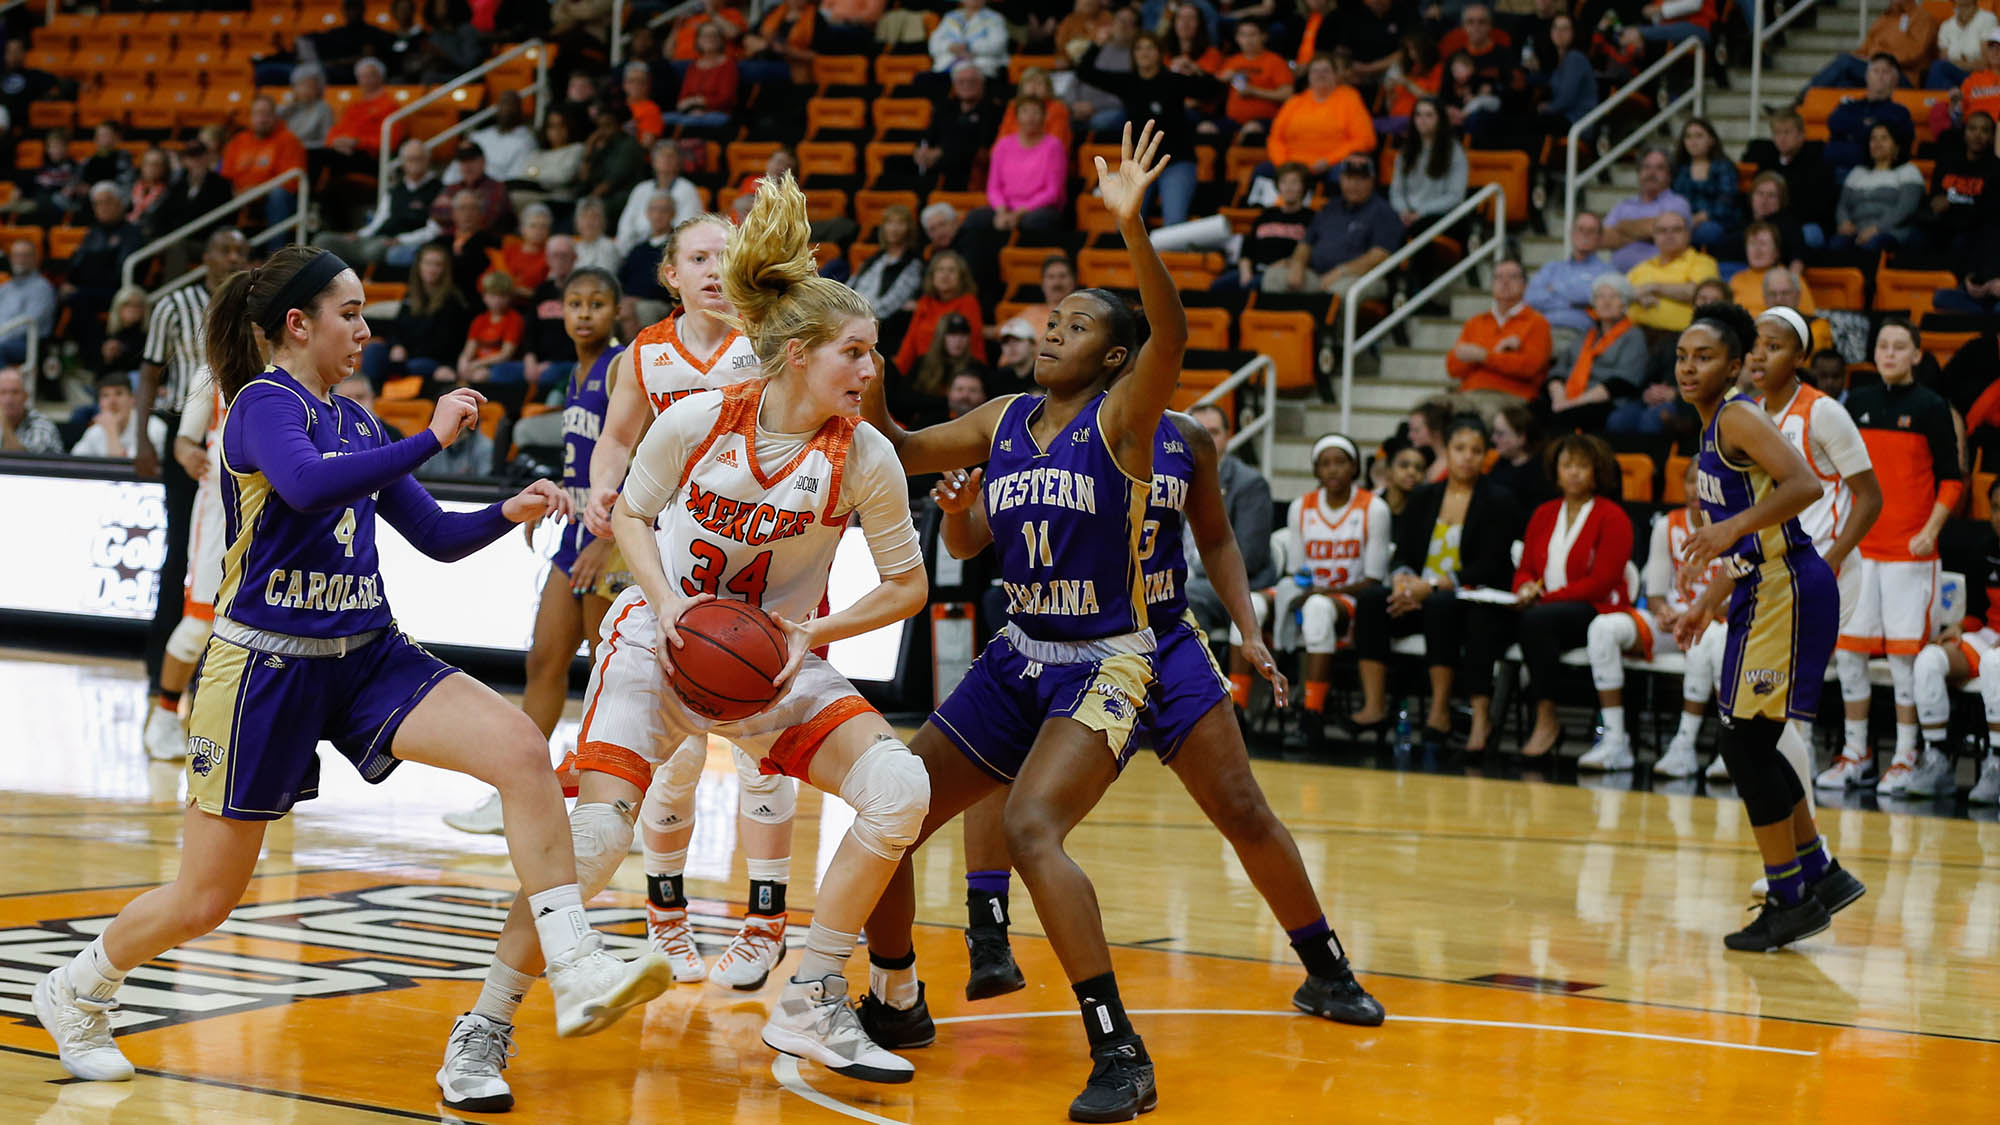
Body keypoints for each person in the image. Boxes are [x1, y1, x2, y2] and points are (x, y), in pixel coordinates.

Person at [35, 245, 674, 1098]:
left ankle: (575, 959)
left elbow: (435, 537)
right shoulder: (261, 403)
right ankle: (77, 988)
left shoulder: (361, 422)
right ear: (298, 324)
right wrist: (431, 436)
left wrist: (503, 510)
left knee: (522, 749)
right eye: (351, 313)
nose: (367, 329)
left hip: (367, 653)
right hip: (262, 670)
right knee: (206, 898)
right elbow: (303, 486)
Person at [854, 123, 1373, 1122]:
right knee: (891, 810)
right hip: (1022, 652)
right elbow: (902, 449)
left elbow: (1179, 379)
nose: (1052, 330)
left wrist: (1134, 229)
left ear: (1118, 357)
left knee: (1195, 810)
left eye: (1079, 323)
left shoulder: (1137, 423)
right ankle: (900, 994)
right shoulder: (1003, 420)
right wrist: (867, 386)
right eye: (1050, 319)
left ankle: (1248, 994)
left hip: (1131, 649)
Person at [560, 172, 934, 1090]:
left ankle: (810, 989)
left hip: (771, 655)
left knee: (899, 788)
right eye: (856, 353)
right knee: (604, 833)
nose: (872, 371)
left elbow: (909, 584)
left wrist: (817, 628)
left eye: (874, 352)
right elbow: (631, 509)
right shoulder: (697, 407)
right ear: (799, 353)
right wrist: (666, 603)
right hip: (663, 633)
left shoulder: (866, 453)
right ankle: (501, 1008)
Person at [574, 212, 805, 994]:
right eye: (698, 257)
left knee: (765, 759)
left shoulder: (774, 340)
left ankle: (766, 922)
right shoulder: (645, 354)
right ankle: (665, 915)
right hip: (679, 572)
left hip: (768, 569)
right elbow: (617, 437)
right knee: (674, 763)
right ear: (670, 274)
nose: (714, 268)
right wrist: (603, 487)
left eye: (726, 256)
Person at [1670, 300, 1866, 952]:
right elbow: (1748, 541)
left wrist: (1728, 527)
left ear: (1733, 366)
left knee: (1746, 744)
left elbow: (1806, 485)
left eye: (1703, 357)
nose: (1688, 367)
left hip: (1788, 589)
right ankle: (1818, 874)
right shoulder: (1709, 429)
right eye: (1681, 356)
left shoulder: (1738, 417)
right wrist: (1706, 601)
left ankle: (1791, 896)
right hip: (1760, 587)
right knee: (1751, 739)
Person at [1712, 305, 1881, 795]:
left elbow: (1870, 498)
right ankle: (1801, 830)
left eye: (1775, 346)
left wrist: (1830, 562)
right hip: (1772, 575)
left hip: (1823, 570)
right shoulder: (1747, 415)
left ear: (1800, 356)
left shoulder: (1822, 412)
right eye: (1755, 346)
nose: (1759, 356)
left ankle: (1802, 829)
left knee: (1778, 708)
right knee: (1772, 711)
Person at [1816, 320, 1962, 797]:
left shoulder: (1932, 407)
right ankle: (1856, 754)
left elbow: (1952, 480)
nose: (1890, 354)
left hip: (1909, 553)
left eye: (1900, 347)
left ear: (1917, 355)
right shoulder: (1854, 404)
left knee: (1903, 661)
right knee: (1850, 654)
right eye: (1883, 346)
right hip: (1861, 550)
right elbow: (1838, 476)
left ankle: (1905, 755)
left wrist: (1930, 531)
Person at [1348, 416, 1525, 754]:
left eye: (1476, 450)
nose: (1467, 457)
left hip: (1468, 600)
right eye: (1460, 449)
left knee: (1440, 604)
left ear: (1486, 455)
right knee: (1372, 599)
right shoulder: (1424, 495)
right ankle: (1374, 705)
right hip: (1419, 595)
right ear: (1447, 451)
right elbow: (1404, 553)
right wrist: (1402, 580)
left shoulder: (1498, 500)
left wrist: (1429, 586)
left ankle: (1439, 710)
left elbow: (1490, 564)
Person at [133, 230, 251, 728]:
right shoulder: (210, 368)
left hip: (266, 509)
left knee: (256, 627)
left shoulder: (285, 371)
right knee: (196, 610)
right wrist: (172, 445)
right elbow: (182, 435)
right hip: (217, 499)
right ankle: (163, 704)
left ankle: (225, 714)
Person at [1237, 434, 1389, 749]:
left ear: (1354, 467)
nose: (1332, 469)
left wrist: (1323, 591)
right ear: (1316, 470)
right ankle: (1236, 710)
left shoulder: (1374, 508)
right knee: (1249, 604)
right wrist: (1303, 591)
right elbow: (1296, 571)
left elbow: (1374, 580)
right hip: (1306, 592)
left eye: (1340, 462)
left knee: (1318, 608)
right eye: (1325, 463)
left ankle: (1311, 715)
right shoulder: (1301, 506)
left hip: (1349, 597)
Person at [1582, 459, 1729, 773]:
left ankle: (1686, 746)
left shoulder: (1734, 528)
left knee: (1707, 640)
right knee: (1602, 629)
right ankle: (1614, 741)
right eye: (1690, 480)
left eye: (1704, 481)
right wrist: (1663, 611)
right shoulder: (1668, 525)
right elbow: (1656, 593)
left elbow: (1743, 598)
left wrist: (1695, 614)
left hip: (1716, 624)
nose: (1696, 488)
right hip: (1674, 624)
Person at [1906, 478, 2000, 803]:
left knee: (1995, 663)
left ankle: (1997, 762)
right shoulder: (1984, 550)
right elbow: (1977, 613)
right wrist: (1961, 627)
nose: (1999, 516)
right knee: (1929, 660)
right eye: (1995, 508)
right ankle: (1937, 759)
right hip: (1990, 636)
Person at [1074, 33, 1220, 224]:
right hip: (1139, 164)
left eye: (1150, 48)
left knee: (1174, 222)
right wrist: (1097, 44)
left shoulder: (1173, 81)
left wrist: (1195, 69)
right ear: (1133, 54)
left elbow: (1214, 89)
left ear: (1159, 53)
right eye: (1139, 48)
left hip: (1176, 161)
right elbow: (1084, 72)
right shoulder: (1128, 82)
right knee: (1125, 222)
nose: (1144, 53)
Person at [1185, 404, 1276, 645]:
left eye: (1213, 432)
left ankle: (1195, 668)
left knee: (1185, 594)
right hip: (1188, 577)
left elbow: (1250, 557)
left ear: (1228, 436)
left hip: (1237, 584)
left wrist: (1187, 574)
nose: (1204, 440)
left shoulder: (1250, 484)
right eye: (1197, 432)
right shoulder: (1175, 476)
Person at [1262, 154, 1403, 300]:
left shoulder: (1384, 212)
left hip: (1360, 277)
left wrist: (1342, 271)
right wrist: (1298, 264)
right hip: (1319, 275)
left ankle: (1322, 315)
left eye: (1361, 179)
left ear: (1372, 181)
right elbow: (1306, 243)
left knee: (1339, 291)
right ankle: (1287, 316)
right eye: (1349, 178)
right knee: (1274, 277)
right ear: (1341, 179)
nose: (1354, 184)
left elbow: (1379, 256)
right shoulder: (1330, 207)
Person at [1446, 259, 1551, 415]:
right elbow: (1453, 367)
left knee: (1484, 414)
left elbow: (1529, 368)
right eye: (1498, 277)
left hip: (1511, 395)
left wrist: (1483, 356)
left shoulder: (1537, 322)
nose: (1505, 282)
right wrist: (1498, 353)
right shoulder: (1475, 322)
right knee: (1426, 410)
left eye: (1512, 277)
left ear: (1525, 285)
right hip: (1469, 392)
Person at [1550, 274, 1649, 433]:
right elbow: (1558, 372)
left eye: (1614, 297)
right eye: (1600, 297)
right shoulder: (1585, 336)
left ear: (1625, 303)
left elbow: (1623, 382)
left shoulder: (1634, 336)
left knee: (1564, 419)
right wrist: (1559, 399)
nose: (1606, 302)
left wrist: (1572, 404)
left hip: (1606, 402)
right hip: (1568, 399)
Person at [1267, 51, 1377, 179]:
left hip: (1331, 164)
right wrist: (1283, 164)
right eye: (1315, 71)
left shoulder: (1349, 98)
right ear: (1309, 76)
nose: (1320, 75)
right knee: (1262, 171)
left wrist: (1329, 161)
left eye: (1326, 71)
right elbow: (1275, 139)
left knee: (1343, 174)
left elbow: (1365, 139)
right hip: (1292, 164)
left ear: (1335, 75)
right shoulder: (1295, 102)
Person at [1743, 110, 1838, 251]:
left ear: (1801, 135)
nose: (1781, 138)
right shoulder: (1767, 161)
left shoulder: (1818, 162)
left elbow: (1818, 206)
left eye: (1787, 132)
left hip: (1807, 223)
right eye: (1777, 133)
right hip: (1772, 222)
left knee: (1805, 235)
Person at [1527, 211, 1619, 343]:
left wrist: (1554, 289)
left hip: (1577, 334)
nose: (1585, 234)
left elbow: (1589, 297)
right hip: (1539, 330)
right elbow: (1531, 298)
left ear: (1599, 238)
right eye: (1580, 229)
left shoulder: (1607, 272)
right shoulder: (1552, 268)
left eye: (1591, 231)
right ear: (1572, 234)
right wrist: (1573, 302)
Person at [1802, 0, 1934, 92]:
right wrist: (1858, 58)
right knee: (1842, 81)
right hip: (1872, 68)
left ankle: (1804, 97)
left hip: (1902, 75)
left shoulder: (1922, 18)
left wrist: (1880, 58)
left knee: (1845, 62)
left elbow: (1916, 54)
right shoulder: (1885, 18)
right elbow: (1864, 49)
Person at [1833, 123, 1925, 253]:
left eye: (1884, 138)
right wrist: (1844, 222)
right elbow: (1843, 205)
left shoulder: (1908, 170)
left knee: (1874, 245)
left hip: (1891, 232)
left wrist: (1877, 228)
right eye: (1873, 139)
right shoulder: (1858, 172)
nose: (1877, 143)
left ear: (1897, 146)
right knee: (1836, 244)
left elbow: (1905, 209)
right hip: (1856, 232)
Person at [1626, 210, 1719, 335]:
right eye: (1662, 230)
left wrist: (1654, 288)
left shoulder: (1703, 262)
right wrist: (1637, 296)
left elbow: (1700, 293)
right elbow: (1621, 293)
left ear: (1688, 234)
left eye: (1676, 230)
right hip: (1635, 333)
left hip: (1682, 336)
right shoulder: (1641, 267)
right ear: (1654, 236)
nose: (1669, 235)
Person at [220, 97, 309, 225]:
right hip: (240, 196)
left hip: (273, 197)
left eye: (267, 114)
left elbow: (291, 181)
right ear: (251, 117)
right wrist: (238, 192)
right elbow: (226, 176)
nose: (262, 119)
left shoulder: (289, 140)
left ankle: (277, 239)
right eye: (258, 114)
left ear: (275, 116)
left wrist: (258, 190)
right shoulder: (238, 141)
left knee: (279, 195)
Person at [1602, 147, 1691, 272]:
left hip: (1662, 275)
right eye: (1646, 167)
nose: (1651, 173)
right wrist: (1648, 233)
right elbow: (1603, 238)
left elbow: (1659, 229)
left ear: (1669, 175)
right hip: (1619, 276)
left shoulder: (1678, 203)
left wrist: (1621, 226)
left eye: (1659, 168)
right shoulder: (1624, 205)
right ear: (1639, 173)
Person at [895, 251, 984, 375]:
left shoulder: (968, 302)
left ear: (962, 277)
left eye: (951, 271)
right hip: (923, 368)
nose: (945, 275)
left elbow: (972, 345)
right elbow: (910, 342)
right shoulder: (925, 302)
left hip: (956, 372)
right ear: (932, 276)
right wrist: (897, 372)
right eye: (940, 270)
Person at [1824, 55, 1916, 174]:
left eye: (1885, 72)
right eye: (1876, 71)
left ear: (1896, 79)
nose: (1880, 76)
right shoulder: (1849, 105)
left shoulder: (1899, 112)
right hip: (1833, 169)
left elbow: (1900, 146)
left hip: (1873, 173)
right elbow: (1834, 123)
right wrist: (1866, 125)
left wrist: (1854, 130)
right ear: (1866, 76)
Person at [1229, 162, 1313, 291]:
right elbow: (1247, 248)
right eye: (1284, 182)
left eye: (1294, 182)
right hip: (1253, 272)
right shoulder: (1265, 215)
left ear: (1303, 186)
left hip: (1282, 274)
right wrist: (1245, 271)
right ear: (1278, 186)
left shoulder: (1311, 218)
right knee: (1217, 287)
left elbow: (1309, 253)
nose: (1288, 187)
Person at [617, 140, 705, 258]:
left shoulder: (688, 189)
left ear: (679, 162)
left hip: (671, 251)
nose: (666, 159)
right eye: (661, 155)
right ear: (653, 161)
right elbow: (625, 226)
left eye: (671, 156)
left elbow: (688, 229)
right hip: (637, 249)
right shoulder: (641, 189)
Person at [1673, 117, 1740, 255]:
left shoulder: (1724, 166)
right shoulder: (1679, 169)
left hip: (1717, 221)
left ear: (1711, 140)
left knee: (1703, 231)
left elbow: (1726, 203)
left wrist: (1698, 218)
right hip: (1683, 222)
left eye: (1699, 136)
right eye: (1688, 136)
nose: (1693, 141)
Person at [1218, 20, 1296, 138]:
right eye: (1243, 35)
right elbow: (1215, 88)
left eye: (1252, 34)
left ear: (1264, 37)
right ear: (1237, 38)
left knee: (1251, 130)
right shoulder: (1231, 62)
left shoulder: (1275, 61)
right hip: (1232, 120)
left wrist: (1254, 91)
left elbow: (1287, 94)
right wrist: (1222, 80)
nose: (1248, 40)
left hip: (1265, 121)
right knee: (1206, 128)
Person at [70, 373, 169, 459]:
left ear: (132, 399)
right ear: (99, 403)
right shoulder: (96, 430)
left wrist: (111, 430)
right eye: (105, 395)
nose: (112, 401)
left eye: (119, 394)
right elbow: (73, 463)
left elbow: (126, 471)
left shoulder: (153, 427)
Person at [663, 21, 741, 129]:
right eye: (704, 36)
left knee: (688, 122)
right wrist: (688, 105)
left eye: (713, 35)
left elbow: (727, 98)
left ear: (721, 40)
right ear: (698, 41)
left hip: (717, 113)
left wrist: (702, 102)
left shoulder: (728, 65)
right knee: (661, 119)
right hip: (690, 112)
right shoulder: (693, 66)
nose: (709, 39)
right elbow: (683, 96)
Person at [1729, 223, 1818, 316]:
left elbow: (1809, 317)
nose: (1757, 250)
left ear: (1776, 252)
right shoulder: (1736, 280)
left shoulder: (1790, 279)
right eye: (1752, 243)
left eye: (1763, 243)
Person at [0, 238, 56, 367]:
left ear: (35, 258)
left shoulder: (42, 288)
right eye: (16, 255)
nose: (20, 260)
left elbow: (28, 323)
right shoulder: (5, 287)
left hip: (26, 343)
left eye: (25, 255)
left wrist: (1, 335)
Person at [1487, 402, 1554, 509]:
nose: (1493, 439)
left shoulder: (1539, 474)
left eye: (1500, 434)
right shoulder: (1502, 461)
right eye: (1493, 432)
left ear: (1521, 438)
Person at [1928, 0, 1997, 89]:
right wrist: (1967, 64)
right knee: (1938, 70)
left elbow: (1985, 64)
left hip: (1978, 75)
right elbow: (1944, 61)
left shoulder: (1988, 19)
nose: (1963, 10)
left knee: (1939, 70)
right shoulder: (1946, 26)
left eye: (1967, 7)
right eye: (1959, 6)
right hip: (1955, 76)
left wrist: (1956, 64)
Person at [930, 0, 1010, 76]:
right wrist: (950, 46)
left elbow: (997, 46)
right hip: (948, 65)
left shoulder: (995, 18)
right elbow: (934, 44)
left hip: (982, 66)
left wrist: (968, 47)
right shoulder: (950, 17)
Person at [0, 366, 62, 454]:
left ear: (25, 397)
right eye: (3, 392)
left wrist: (5, 424)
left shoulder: (42, 426)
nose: (9, 399)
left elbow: (22, 460)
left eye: (15, 392)